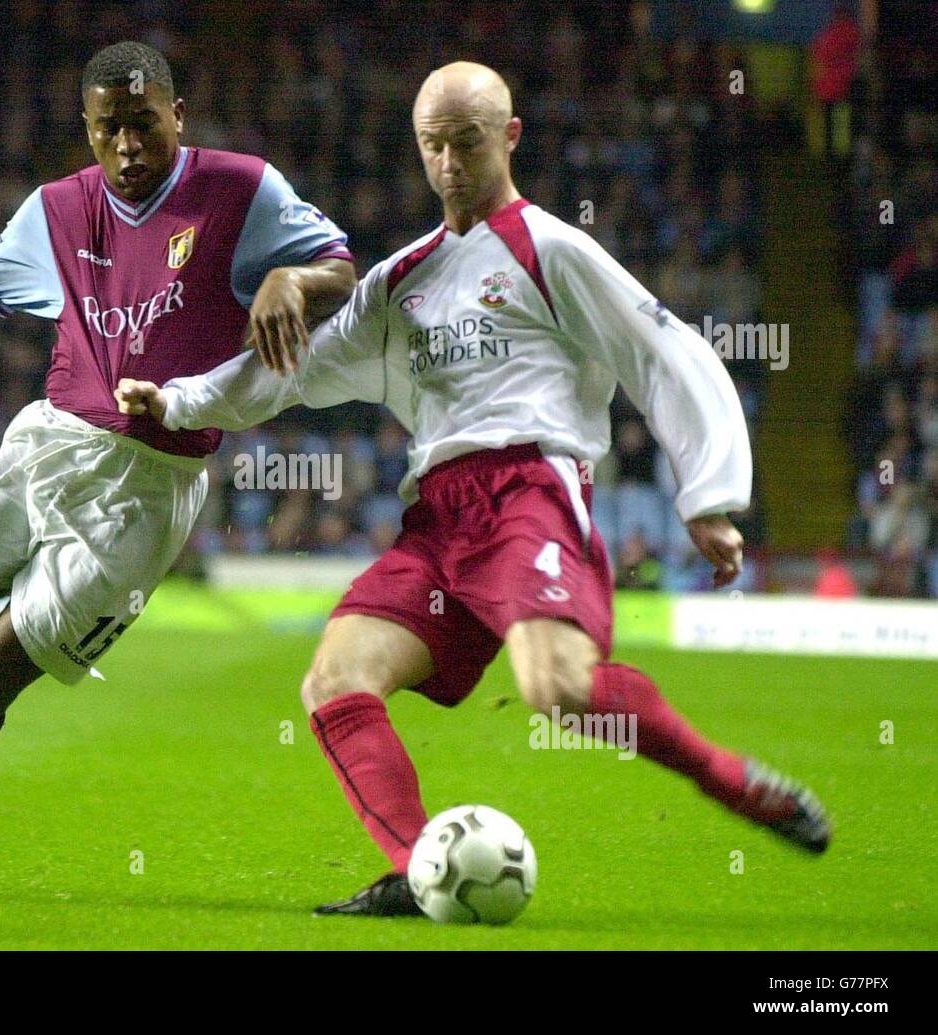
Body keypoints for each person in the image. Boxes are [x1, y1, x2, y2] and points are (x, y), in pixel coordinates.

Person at [116, 62, 831, 917]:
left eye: (469, 141)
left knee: (555, 689)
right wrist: (179, 399)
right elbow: (292, 368)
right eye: (434, 145)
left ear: (510, 136)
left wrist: (708, 494)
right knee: (334, 681)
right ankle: (420, 868)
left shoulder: (551, 249)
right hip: (437, 519)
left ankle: (732, 782)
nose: (451, 162)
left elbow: (663, 351)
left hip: (530, 490)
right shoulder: (400, 278)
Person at [0, 41, 356, 884]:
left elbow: (343, 268)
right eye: (109, 128)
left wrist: (292, 283)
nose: (128, 145)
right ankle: (29, 589)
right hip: (45, 442)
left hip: (145, 489)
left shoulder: (241, 189)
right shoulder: (54, 210)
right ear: (87, 130)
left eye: (144, 124)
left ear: (177, 116)